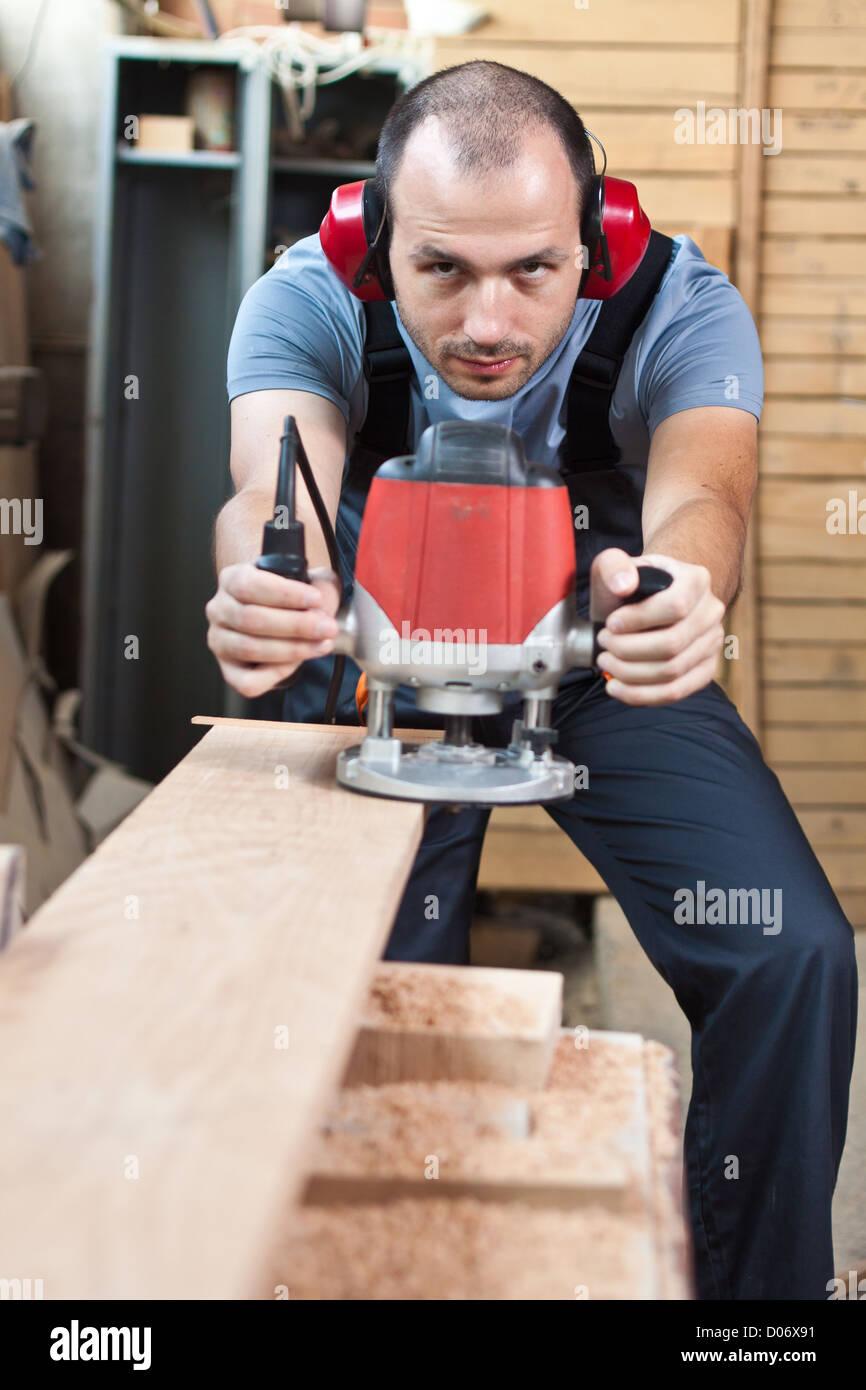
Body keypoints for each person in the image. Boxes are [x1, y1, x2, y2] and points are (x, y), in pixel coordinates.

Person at [207, 61, 857, 1301]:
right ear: (370, 242)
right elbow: (269, 494)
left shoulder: (683, 305)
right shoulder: (305, 297)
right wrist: (263, 590)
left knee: (790, 952)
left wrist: (675, 596)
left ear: (596, 244)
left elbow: (702, 494)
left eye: (533, 271)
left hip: (593, 652)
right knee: (377, 987)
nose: (488, 323)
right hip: (375, 659)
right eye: (441, 269)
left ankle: (756, 1318)